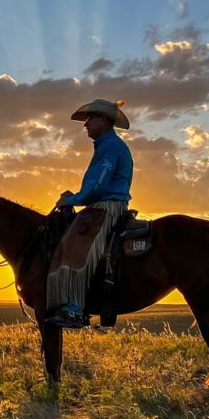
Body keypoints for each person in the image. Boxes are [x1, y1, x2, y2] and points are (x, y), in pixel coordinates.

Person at [46, 99, 133, 329]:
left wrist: (71, 200)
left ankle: (74, 309)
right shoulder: (107, 145)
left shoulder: (110, 146)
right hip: (102, 202)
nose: (85, 123)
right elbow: (95, 186)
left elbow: (98, 189)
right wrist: (74, 195)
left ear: (103, 119)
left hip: (107, 206)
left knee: (74, 245)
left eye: (90, 118)